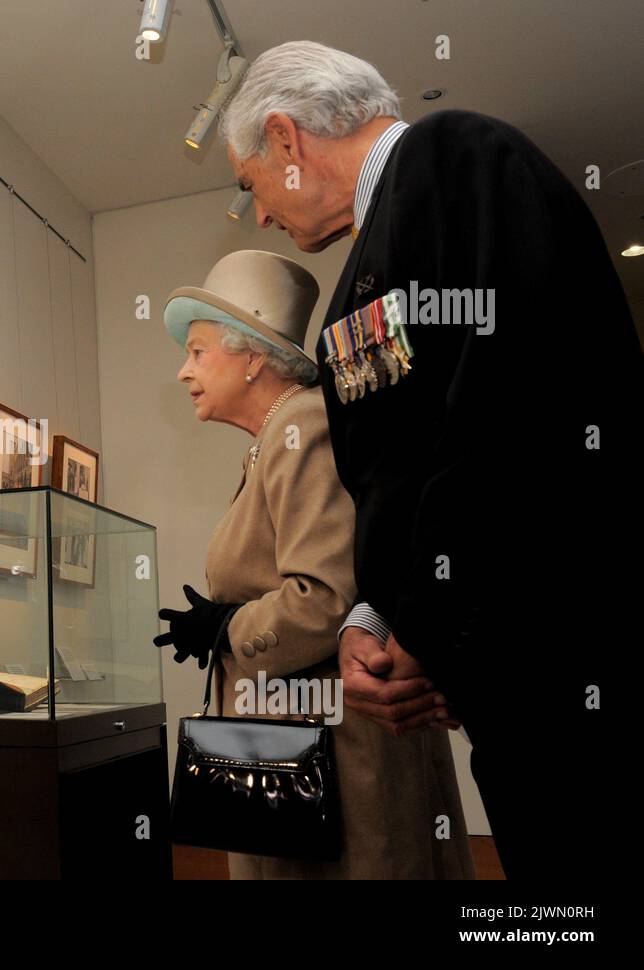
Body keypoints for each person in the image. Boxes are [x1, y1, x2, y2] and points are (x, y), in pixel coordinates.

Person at [219, 41, 641, 878]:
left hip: (572, 651)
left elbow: (503, 406)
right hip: (501, 680)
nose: (259, 213)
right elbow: (394, 481)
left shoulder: (454, 157)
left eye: (247, 183)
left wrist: (421, 618)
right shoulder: (357, 282)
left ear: (287, 139)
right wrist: (372, 621)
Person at [154, 251, 473, 879]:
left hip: (332, 751)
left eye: (197, 351)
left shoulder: (302, 425)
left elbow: (326, 597)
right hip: (290, 737)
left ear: (251, 358)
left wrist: (227, 630)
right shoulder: (274, 439)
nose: (183, 370)